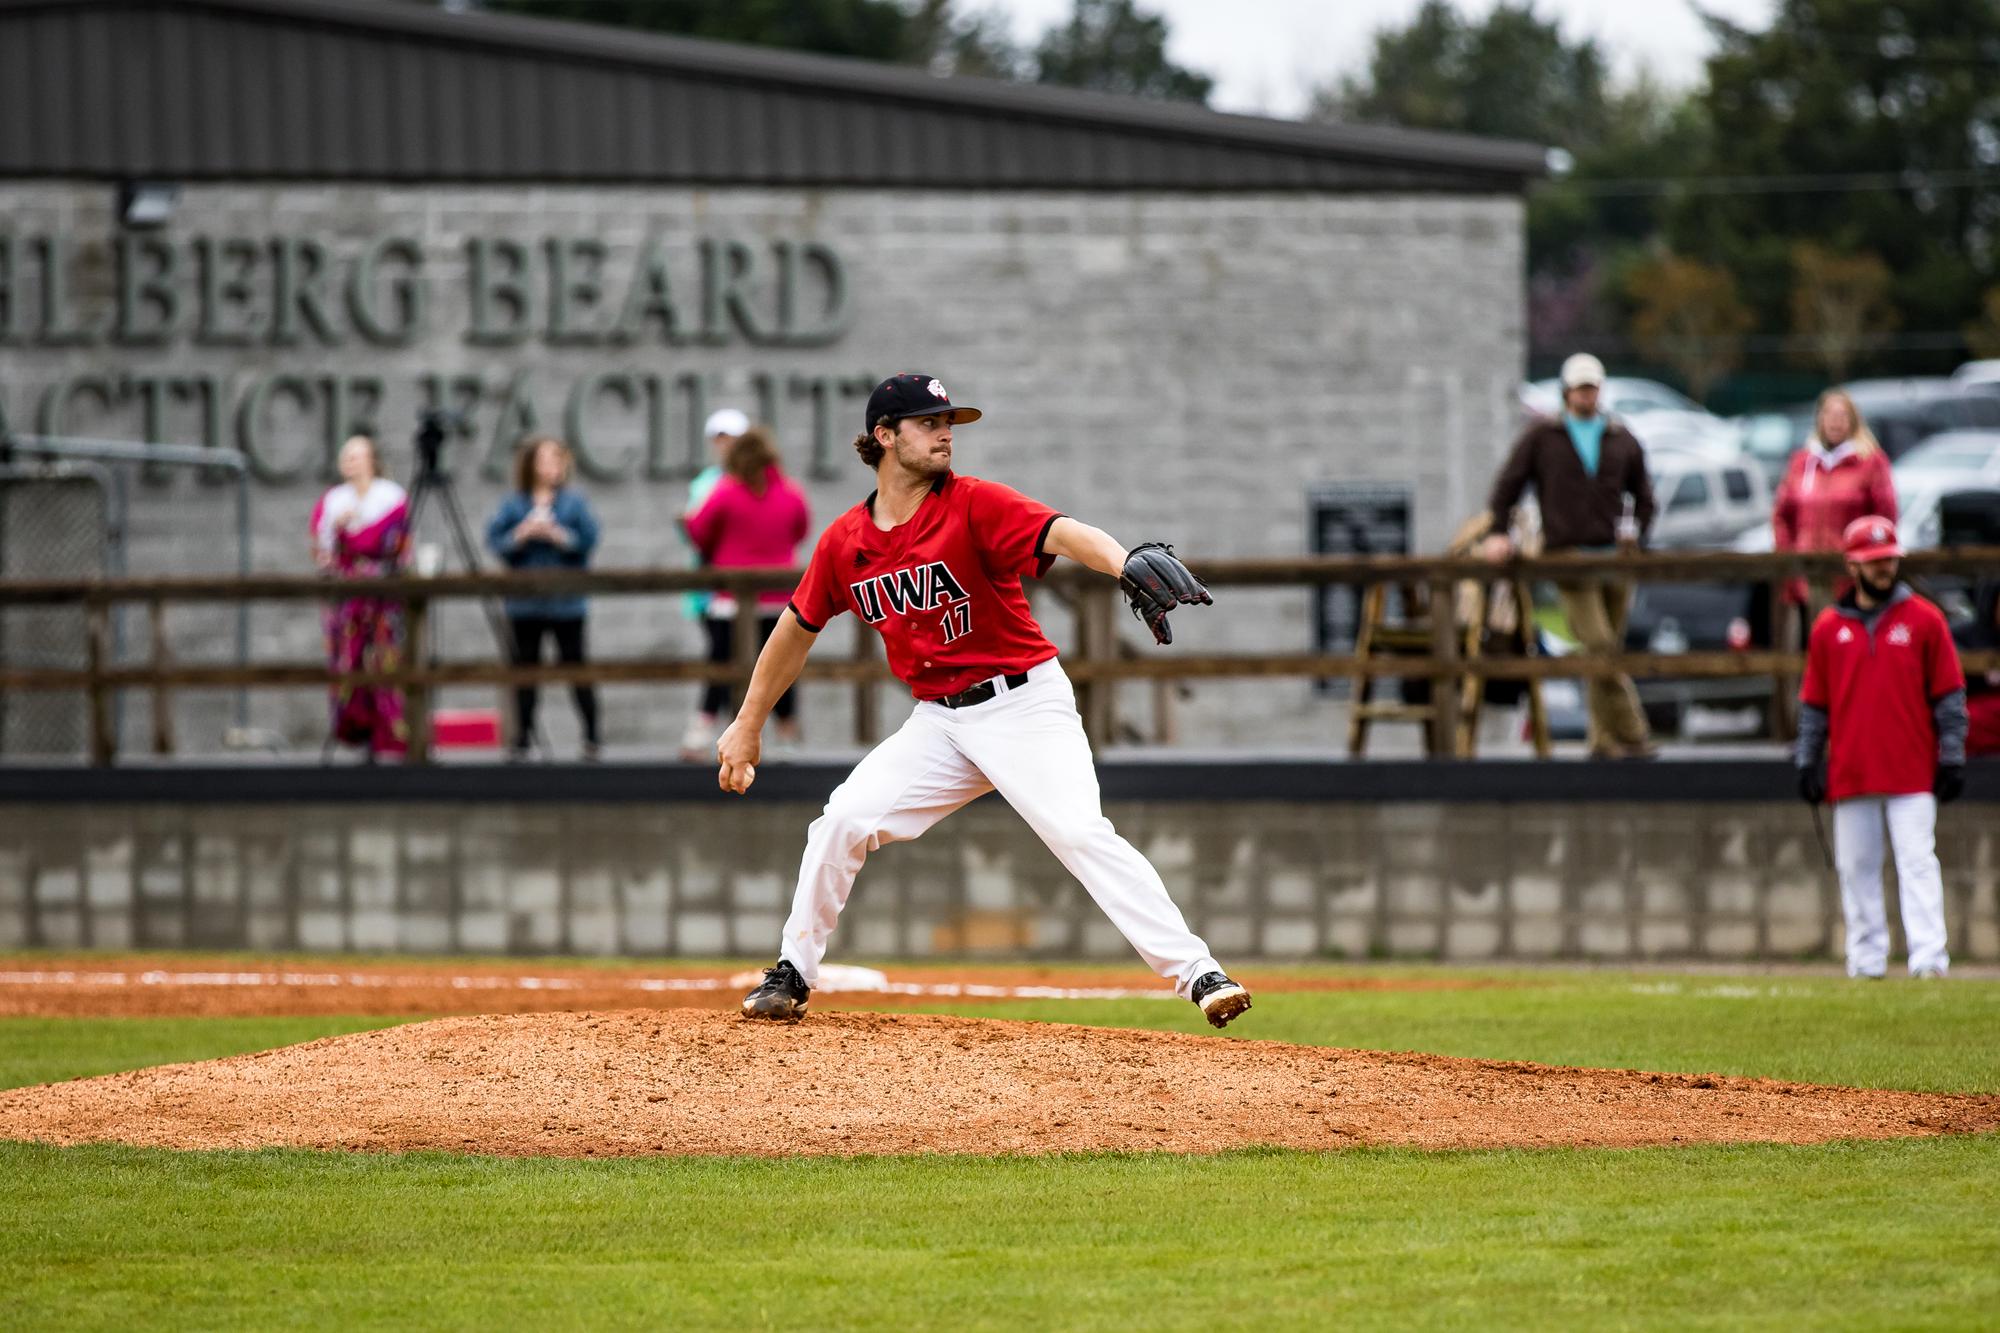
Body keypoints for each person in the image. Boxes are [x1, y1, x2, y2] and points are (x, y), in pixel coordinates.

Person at [720, 373, 1250, 1029]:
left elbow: (1063, 532)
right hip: (939, 722)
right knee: (842, 819)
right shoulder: (845, 542)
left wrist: (1121, 563)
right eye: (927, 421)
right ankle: (792, 974)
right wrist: (747, 724)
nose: (945, 432)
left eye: (949, 421)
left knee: (1077, 830)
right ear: (884, 436)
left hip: (1024, 705)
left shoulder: (973, 504)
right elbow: (793, 632)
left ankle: (1199, 973)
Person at [1796, 517, 1967, 979]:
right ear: (1853, 566)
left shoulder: (1925, 620)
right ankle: (1867, 960)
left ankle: (1929, 960)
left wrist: (1951, 755)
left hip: (1911, 769)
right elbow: (1815, 704)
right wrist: (1807, 760)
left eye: (1889, 559)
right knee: (1856, 869)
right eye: (1873, 562)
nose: (1883, 568)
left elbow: (1949, 696)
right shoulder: (1829, 629)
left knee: (1917, 863)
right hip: (1851, 770)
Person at [1482, 351, 1657, 759]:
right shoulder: (1542, 437)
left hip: (1615, 557)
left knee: (1606, 649)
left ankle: (1601, 741)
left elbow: (1645, 496)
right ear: (1566, 391)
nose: (1586, 394)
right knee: (1598, 646)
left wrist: (1639, 535)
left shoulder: (1620, 437)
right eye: (1579, 387)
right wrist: (1498, 532)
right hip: (1569, 555)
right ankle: (1634, 733)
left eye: (1592, 386)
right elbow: (1507, 487)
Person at [681, 425, 811, 758]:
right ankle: (786, 736)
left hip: (731, 601)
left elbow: (698, 532)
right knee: (781, 669)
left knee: (721, 665)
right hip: (780, 600)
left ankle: (703, 733)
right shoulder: (791, 492)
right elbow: (801, 529)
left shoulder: (726, 490)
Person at [485, 436, 603, 761]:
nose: (552, 466)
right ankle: (522, 736)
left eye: (557, 460)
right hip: (525, 603)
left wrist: (559, 536)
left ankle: (592, 735)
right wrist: (521, 535)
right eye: (545, 460)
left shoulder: (574, 503)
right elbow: (495, 541)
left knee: (576, 666)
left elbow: (590, 539)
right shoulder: (514, 504)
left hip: (566, 602)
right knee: (524, 671)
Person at [310, 434, 411, 759]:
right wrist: (338, 536)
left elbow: (396, 544)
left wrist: (353, 540)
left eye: (357, 455)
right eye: (346, 456)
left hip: (382, 598)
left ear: (371, 459)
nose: (350, 462)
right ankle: (355, 733)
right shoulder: (333, 501)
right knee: (347, 663)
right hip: (347, 599)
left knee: (385, 662)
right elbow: (322, 550)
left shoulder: (391, 497)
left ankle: (389, 736)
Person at [1772, 388, 1896, 621]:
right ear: (1820, 419)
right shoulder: (1802, 462)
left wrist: (1871, 564)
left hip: (1851, 575)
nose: (1835, 422)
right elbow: (1782, 515)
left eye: (1842, 415)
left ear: (1853, 420)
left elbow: (1885, 516)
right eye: (1829, 414)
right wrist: (1787, 561)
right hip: (1807, 576)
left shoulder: (1871, 462)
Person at [678, 406, 751, 756]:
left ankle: (721, 731)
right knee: (724, 659)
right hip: (713, 590)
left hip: (746, 591)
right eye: (721, 439)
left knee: (737, 661)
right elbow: (697, 534)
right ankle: (722, 733)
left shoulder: (753, 482)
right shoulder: (706, 484)